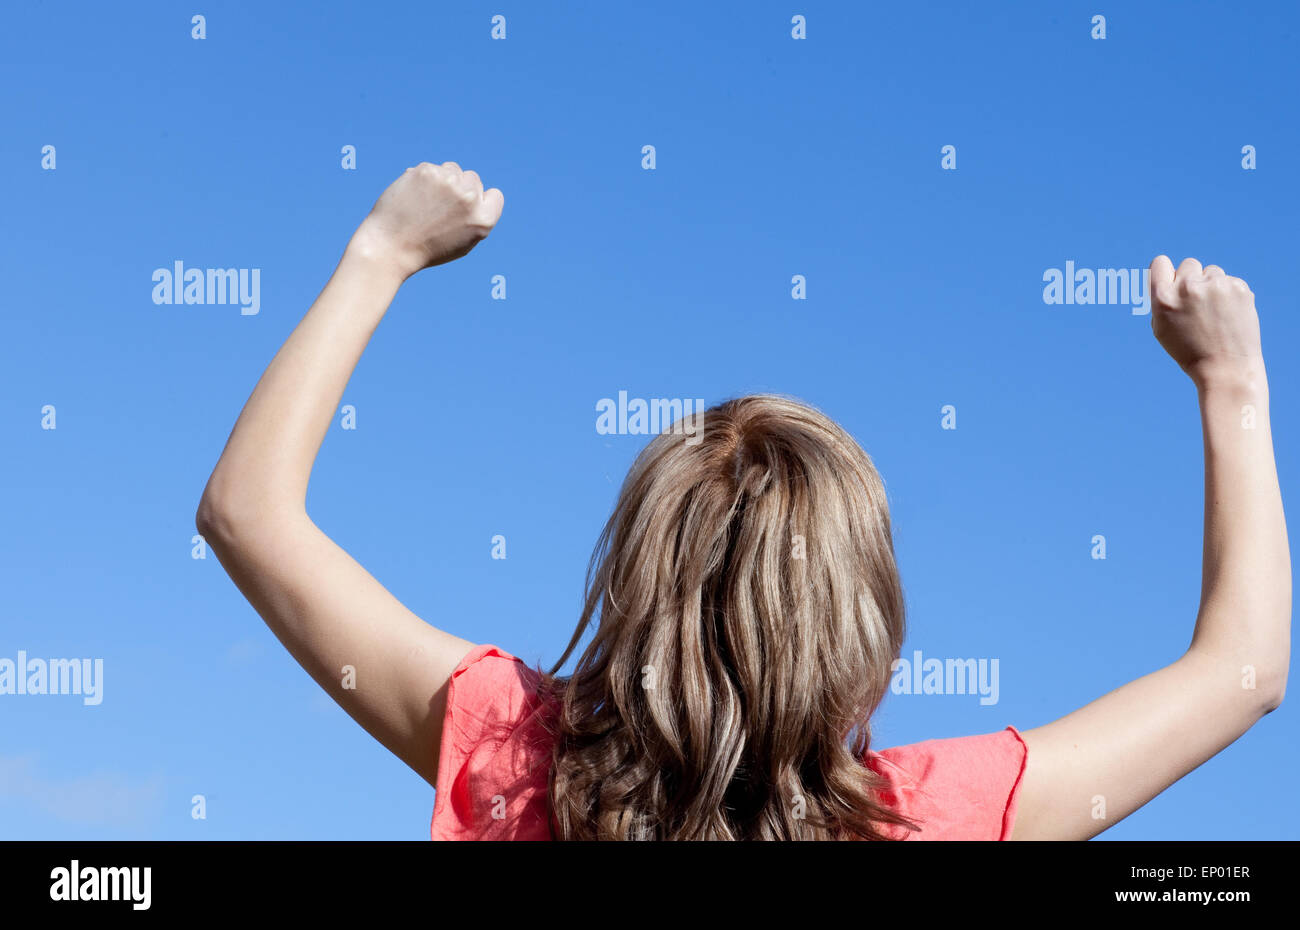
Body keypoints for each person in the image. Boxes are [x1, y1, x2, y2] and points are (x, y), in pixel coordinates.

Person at [196, 161, 1289, 840]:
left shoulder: (512, 760)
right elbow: (1242, 675)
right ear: (864, 618)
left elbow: (246, 513)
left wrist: (379, 253)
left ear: (631, 577)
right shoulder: (932, 817)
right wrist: (1230, 384)